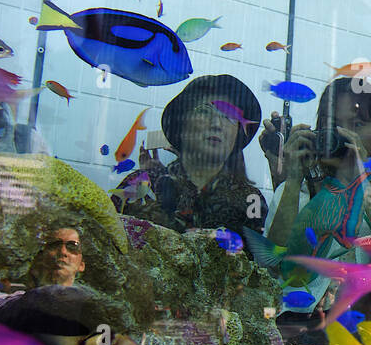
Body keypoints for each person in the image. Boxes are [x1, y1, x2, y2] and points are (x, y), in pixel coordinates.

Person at [264, 78, 371, 341]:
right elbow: (273, 264)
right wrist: (294, 177)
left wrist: (361, 181)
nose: (345, 135)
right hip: (301, 332)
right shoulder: (295, 193)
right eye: (334, 125)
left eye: (357, 124)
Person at [114, 74, 268, 240]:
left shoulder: (250, 200)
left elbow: (257, 260)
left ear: (238, 132)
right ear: (182, 124)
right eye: (204, 111)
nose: (216, 124)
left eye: (229, 116)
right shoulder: (143, 184)